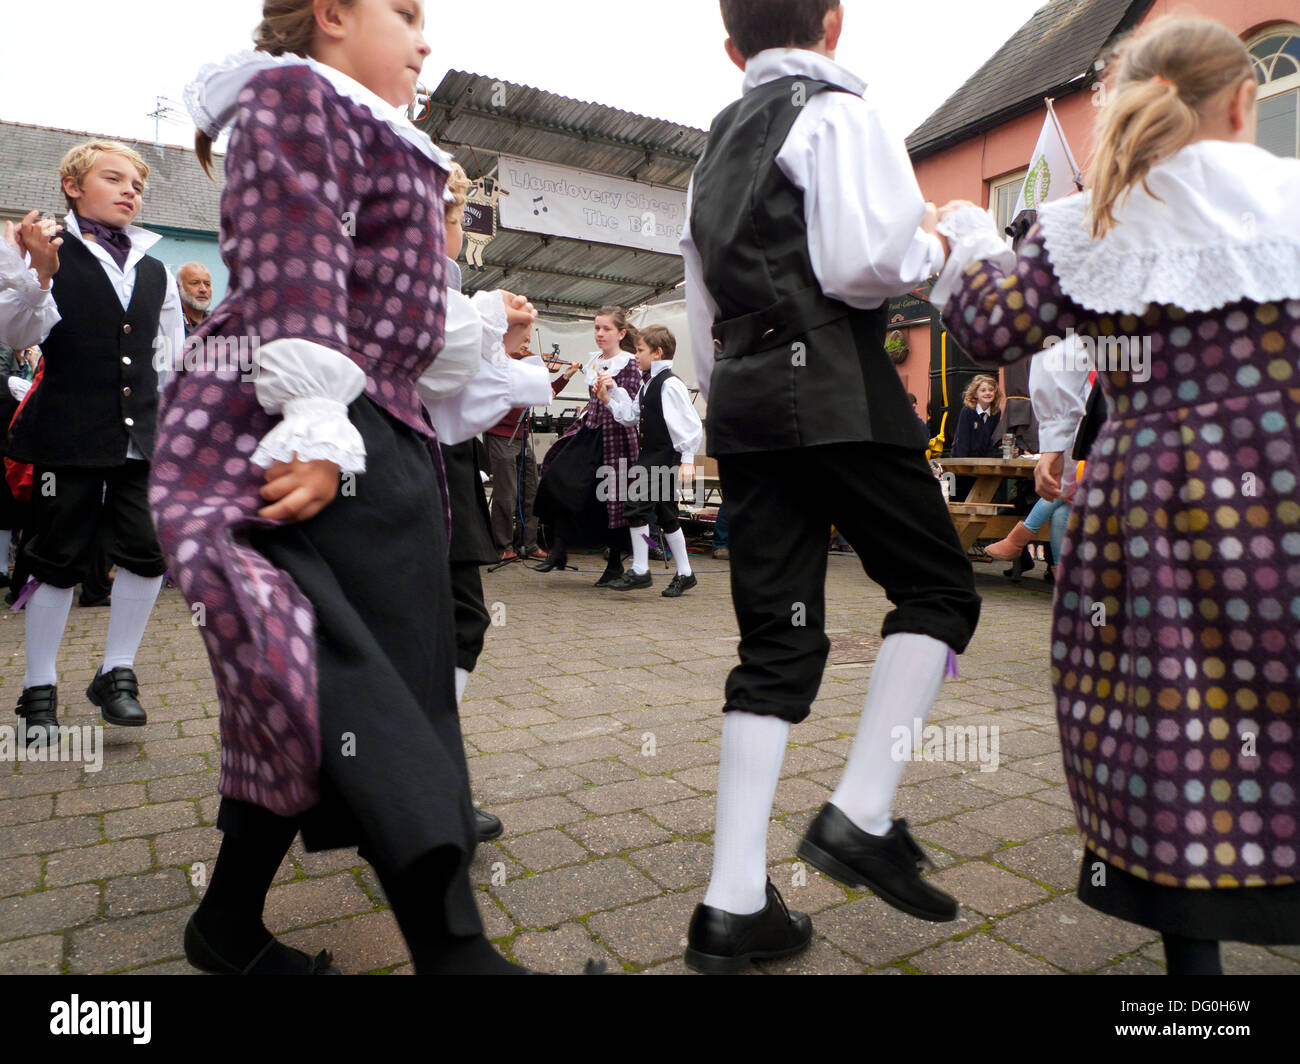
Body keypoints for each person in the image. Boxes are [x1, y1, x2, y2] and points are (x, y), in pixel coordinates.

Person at [154, 0, 548, 975]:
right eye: (406, 12)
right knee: (362, 687)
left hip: (387, 437)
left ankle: (225, 923)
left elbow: (405, 325)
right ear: (332, 13)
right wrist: (318, 420)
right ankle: (458, 955)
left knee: (327, 685)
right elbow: (294, 260)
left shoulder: (388, 139)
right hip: (313, 430)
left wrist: (484, 339)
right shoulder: (296, 96)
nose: (425, 37)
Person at [930, 15, 1300, 975]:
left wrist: (969, 233)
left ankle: (1196, 986)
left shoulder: (1097, 218)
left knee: (1174, 709)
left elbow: (987, 321)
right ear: (1244, 99)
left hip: (1150, 499)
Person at [679, 0, 981, 972]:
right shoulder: (839, 109)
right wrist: (943, 239)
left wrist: (723, 404)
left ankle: (731, 902)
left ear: (733, 48)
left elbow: (699, 303)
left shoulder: (714, 149)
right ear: (835, 22)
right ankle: (858, 807)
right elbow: (869, 262)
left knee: (774, 640)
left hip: (745, 401)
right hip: (836, 389)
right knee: (936, 589)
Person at [0, 140, 185, 746]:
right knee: (57, 557)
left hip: (142, 431)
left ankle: (115, 671)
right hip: (68, 429)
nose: (131, 190)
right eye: (115, 178)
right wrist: (41, 278)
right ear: (73, 184)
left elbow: (173, 355)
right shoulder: (40, 250)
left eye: (137, 184)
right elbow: (16, 332)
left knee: (148, 548)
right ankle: (38, 687)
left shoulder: (156, 267)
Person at [533, 306, 642, 585]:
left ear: (621, 333)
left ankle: (615, 563)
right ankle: (558, 549)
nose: (600, 333)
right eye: (596, 328)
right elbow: (593, 401)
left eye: (606, 329)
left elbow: (631, 409)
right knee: (559, 478)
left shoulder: (630, 363)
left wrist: (613, 389)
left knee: (611, 499)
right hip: (589, 431)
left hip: (615, 436)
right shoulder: (594, 361)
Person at [595, 324, 703, 596]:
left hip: (662, 457)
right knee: (667, 515)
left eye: (640, 350)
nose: (636, 356)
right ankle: (686, 573)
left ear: (657, 353)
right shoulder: (648, 383)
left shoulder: (669, 383)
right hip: (652, 456)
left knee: (635, 508)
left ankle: (641, 569)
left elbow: (690, 424)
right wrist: (610, 396)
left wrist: (688, 458)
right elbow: (631, 416)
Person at [484, 344, 578, 562]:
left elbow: (546, 394)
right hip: (500, 434)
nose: (526, 345)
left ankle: (529, 543)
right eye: (522, 339)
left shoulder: (527, 367)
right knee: (506, 494)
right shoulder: (497, 364)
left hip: (521, 435)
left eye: (528, 339)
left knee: (531, 491)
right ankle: (504, 546)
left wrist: (565, 376)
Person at [951, 375, 1002, 458]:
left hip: (985, 460)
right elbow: (962, 440)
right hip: (965, 458)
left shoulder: (996, 412)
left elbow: (992, 441)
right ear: (975, 394)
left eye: (991, 390)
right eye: (983, 390)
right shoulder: (967, 411)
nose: (988, 393)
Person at [176, 262, 213, 335]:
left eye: (207, 284)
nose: (203, 289)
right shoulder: (171, 321)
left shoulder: (217, 321)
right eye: (195, 283)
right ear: (178, 287)